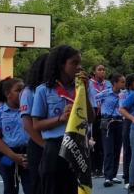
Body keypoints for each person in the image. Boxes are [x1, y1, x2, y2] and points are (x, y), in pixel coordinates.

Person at [31, 45, 92, 194]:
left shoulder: (82, 87)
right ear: (61, 64)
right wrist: (61, 118)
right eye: (74, 63)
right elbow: (36, 124)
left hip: (78, 147)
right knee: (53, 189)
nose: (79, 67)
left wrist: (84, 90)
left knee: (78, 189)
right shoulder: (43, 90)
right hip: (55, 147)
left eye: (80, 63)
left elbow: (90, 118)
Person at [0, 77, 31, 194]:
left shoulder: (30, 110)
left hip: (28, 154)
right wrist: (14, 156)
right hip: (8, 154)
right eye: (18, 90)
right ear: (8, 94)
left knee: (32, 188)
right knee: (11, 188)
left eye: (24, 89)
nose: (22, 93)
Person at [20, 54, 47, 194]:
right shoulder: (29, 92)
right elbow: (28, 125)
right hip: (38, 144)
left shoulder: (53, 90)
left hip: (56, 144)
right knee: (38, 185)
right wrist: (44, 145)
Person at [99, 73, 126, 187]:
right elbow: (93, 100)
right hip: (108, 122)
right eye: (122, 82)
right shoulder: (105, 93)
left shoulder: (124, 94)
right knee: (108, 150)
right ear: (115, 83)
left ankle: (114, 175)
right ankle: (107, 177)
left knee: (117, 149)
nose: (124, 84)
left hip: (120, 122)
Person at [119, 73, 134, 189]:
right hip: (128, 121)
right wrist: (132, 118)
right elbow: (122, 108)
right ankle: (128, 179)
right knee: (129, 152)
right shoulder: (126, 94)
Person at [88, 64, 111, 178]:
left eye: (103, 69)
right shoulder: (89, 84)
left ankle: (100, 169)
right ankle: (92, 169)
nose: (102, 71)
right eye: (99, 69)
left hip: (105, 115)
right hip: (93, 114)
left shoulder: (108, 84)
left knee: (102, 142)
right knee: (92, 142)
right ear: (94, 72)